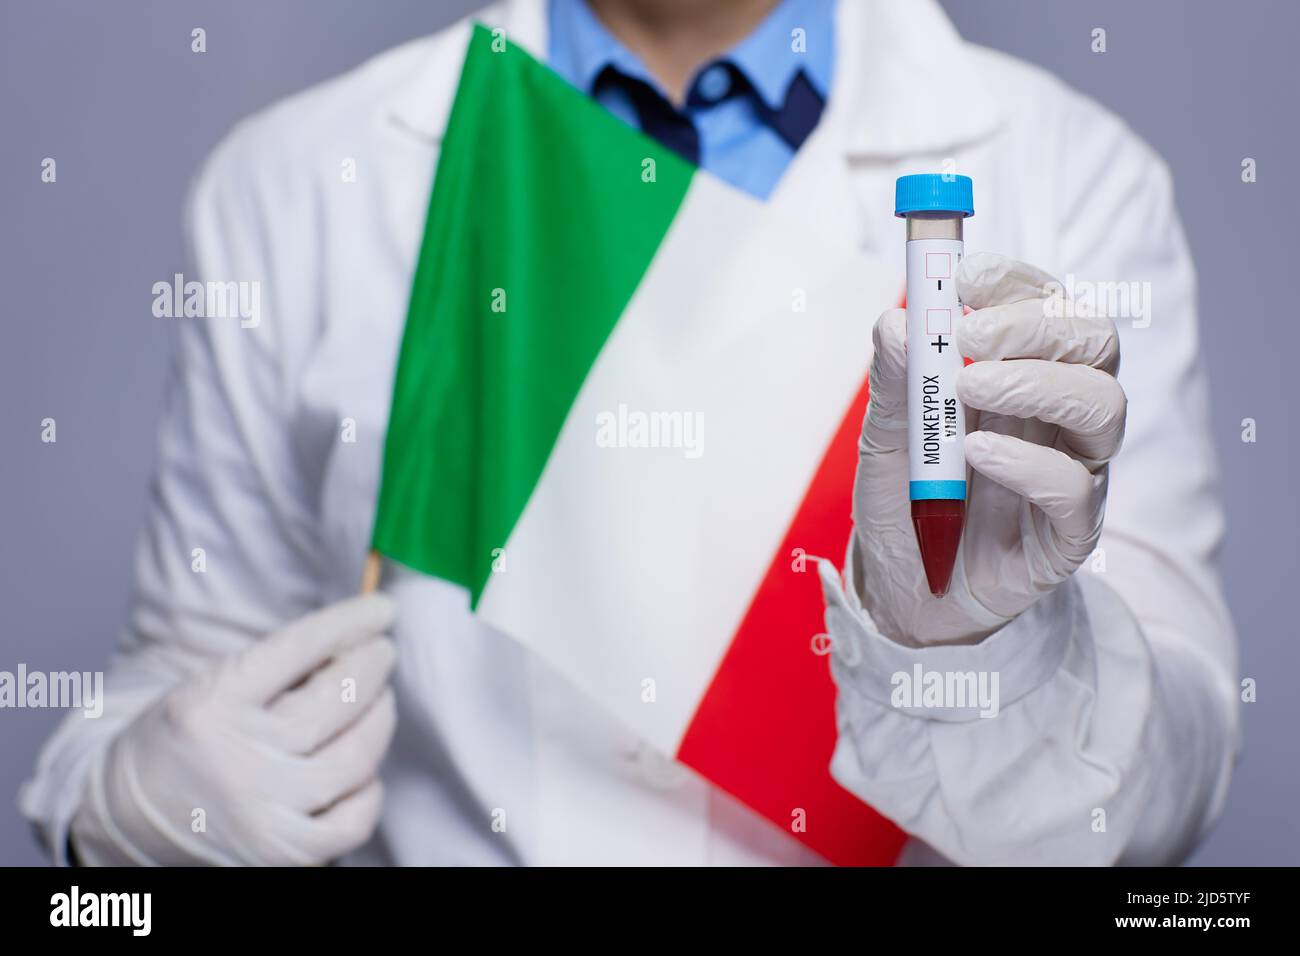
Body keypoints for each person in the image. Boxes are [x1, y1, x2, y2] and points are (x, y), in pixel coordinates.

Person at [22, 0, 1238, 866]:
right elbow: (175, 683)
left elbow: (1158, 802)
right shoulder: (296, 180)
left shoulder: (1069, 169)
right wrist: (127, 807)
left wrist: (992, 655)